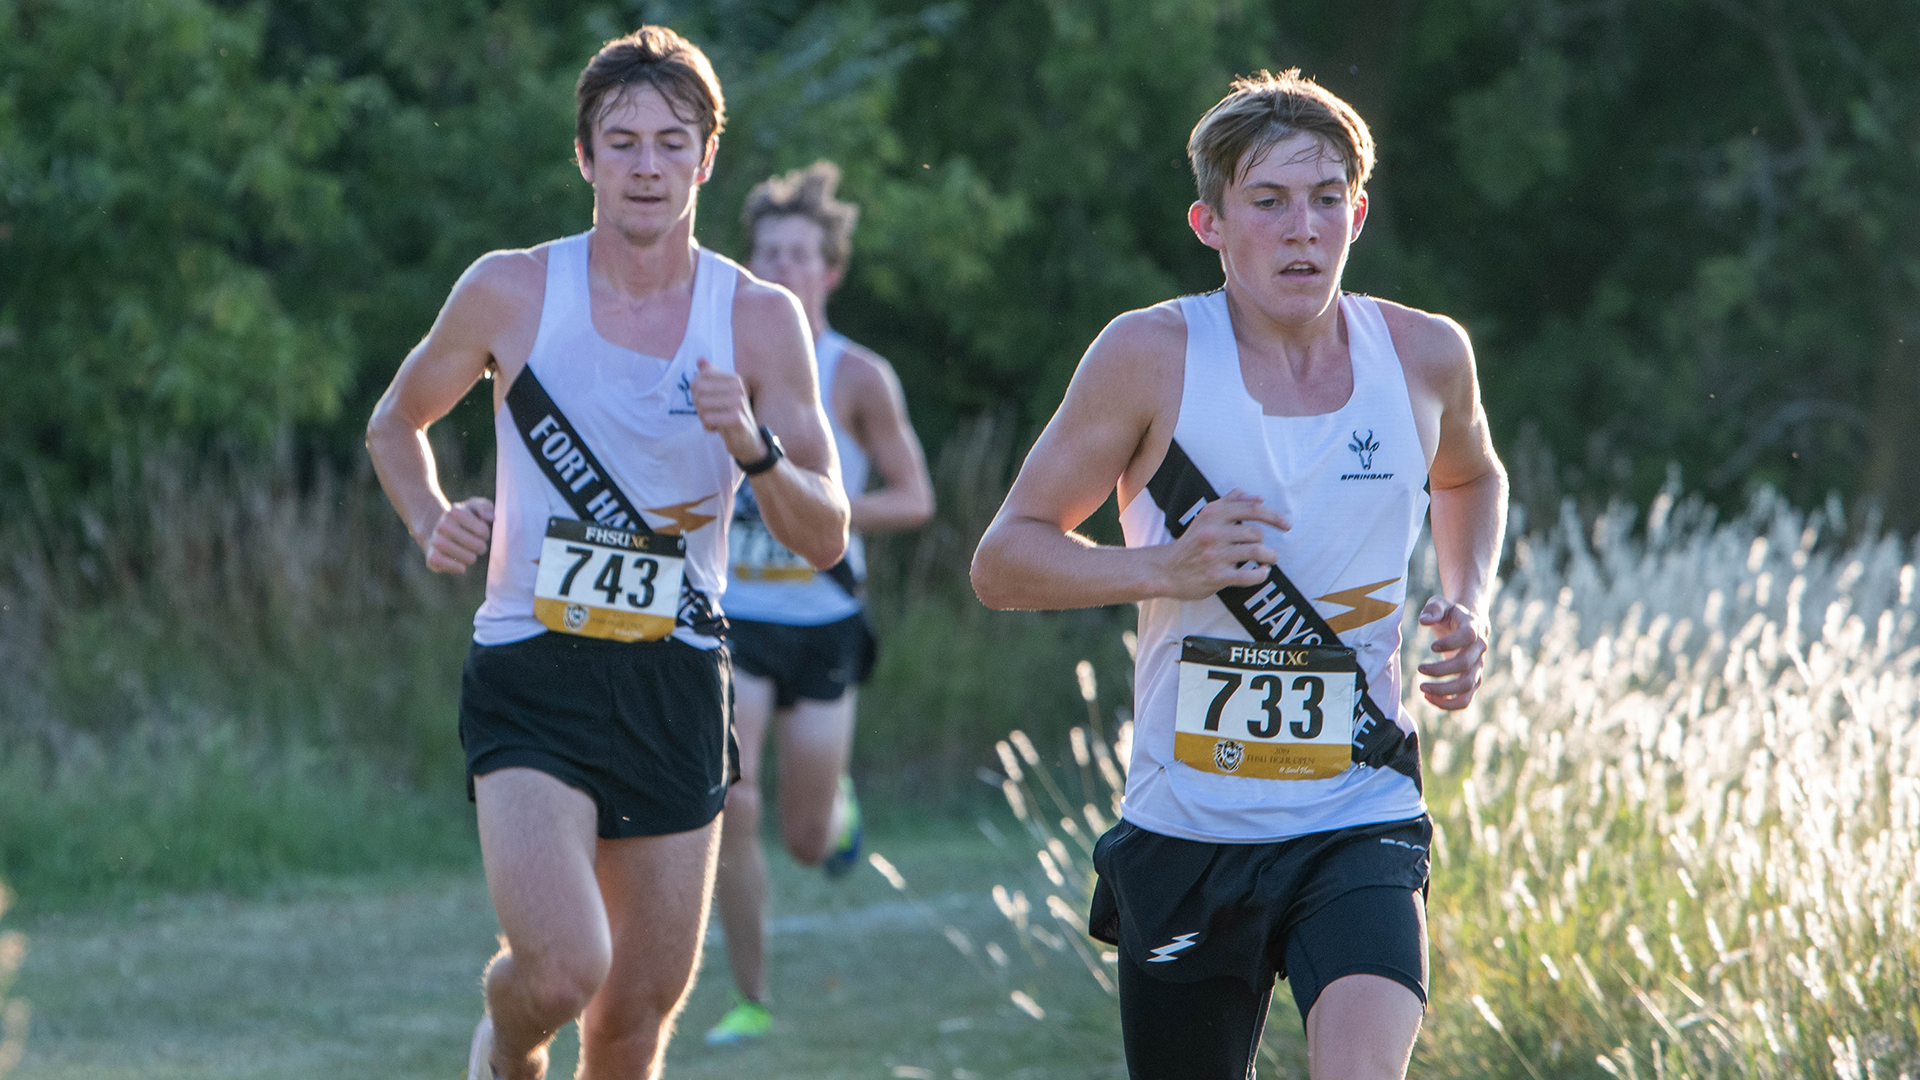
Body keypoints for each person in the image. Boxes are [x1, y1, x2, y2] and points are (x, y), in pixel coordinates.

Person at [970, 70, 1507, 1080]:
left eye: (1326, 199)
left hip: (1359, 812)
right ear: (1209, 223)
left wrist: (1468, 599)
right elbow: (1003, 561)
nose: (1303, 229)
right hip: (1189, 831)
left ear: (1358, 213)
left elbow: (1472, 474)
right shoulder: (1150, 356)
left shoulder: (1427, 355)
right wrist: (1163, 566)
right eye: (1268, 201)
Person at [364, 26, 849, 1080]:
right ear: (584, 156)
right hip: (532, 665)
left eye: (671, 142)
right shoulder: (511, 290)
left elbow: (824, 532)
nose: (645, 165)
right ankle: (504, 1046)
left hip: (678, 678)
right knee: (561, 971)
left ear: (706, 159)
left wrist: (754, 447)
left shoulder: (758, 320)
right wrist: (431, 517)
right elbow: (395, 421)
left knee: (632, 1025)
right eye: (621, 141)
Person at [703, 161, 936, 1046]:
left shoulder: (859, 375)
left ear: (831, 270)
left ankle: (834, 812)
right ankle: (752, 996)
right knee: (733, 801)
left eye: (802, 254)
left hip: (825, 620)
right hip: (736, 619)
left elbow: (915, 499)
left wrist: (807, 505)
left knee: (804, 838)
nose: (785, 268)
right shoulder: (717, 362)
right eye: (769, 253)